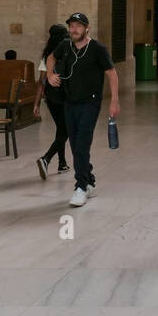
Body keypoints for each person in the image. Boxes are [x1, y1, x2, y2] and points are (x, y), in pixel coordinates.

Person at [46, 12, 119, 208]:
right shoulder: (65, 46)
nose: (73, 30)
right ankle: (89, 181)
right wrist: (50, 75)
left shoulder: (97, 49)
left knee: (82, 144)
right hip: (69, 102)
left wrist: (114, 100)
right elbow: (51, 58)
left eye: (78, 26)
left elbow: (111, 73)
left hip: (90, 102)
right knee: (75, 145)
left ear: (87, 28)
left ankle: (80, 187)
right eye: (71, 26)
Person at [33, 23, 70, 180]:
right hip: (65, 96)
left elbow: (41, 81)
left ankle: (62, 163)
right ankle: (46, 158)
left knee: (60, 129)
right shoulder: (66, 52)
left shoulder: (47, 54)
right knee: (66, 131)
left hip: (50, 97)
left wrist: (36, 104)